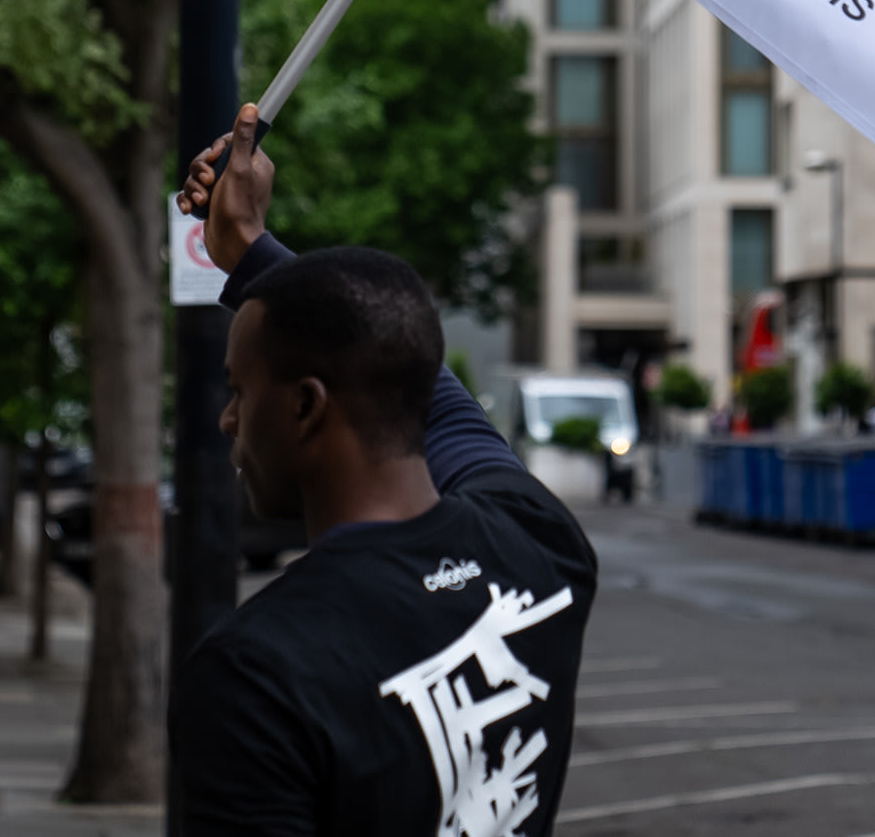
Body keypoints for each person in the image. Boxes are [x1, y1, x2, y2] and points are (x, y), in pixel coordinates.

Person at [169, 104, 599, 836]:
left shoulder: (257, 674)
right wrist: (246, 249)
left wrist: (251, 251)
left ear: (306, 406)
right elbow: (407, 370)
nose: (228, 420)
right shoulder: (542, 547)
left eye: (240, 390)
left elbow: (402, 369)